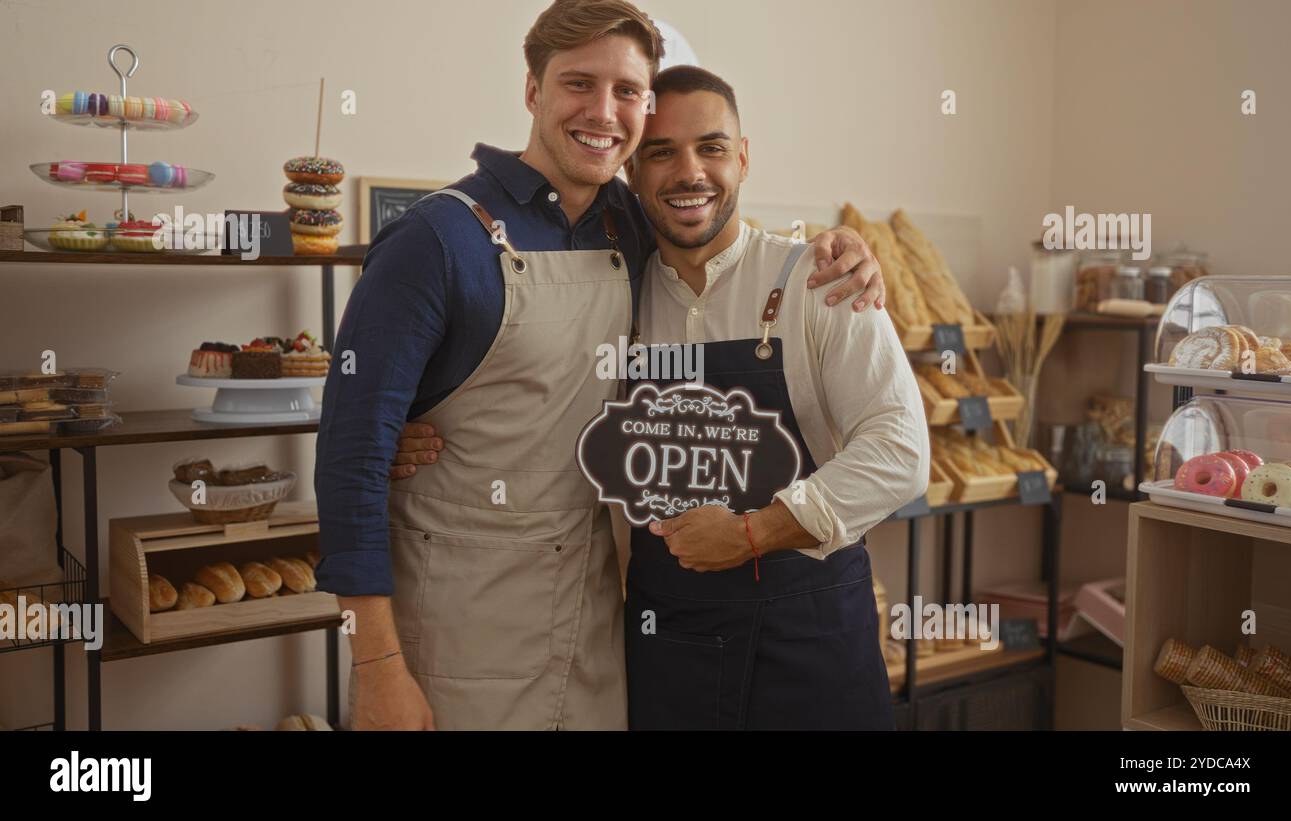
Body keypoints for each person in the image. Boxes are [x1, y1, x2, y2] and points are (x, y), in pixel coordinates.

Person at [315, 0, 885, 731]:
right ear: (533, 92)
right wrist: (377, 669)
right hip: (455, 633)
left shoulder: (630, 226)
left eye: (626, 92)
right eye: (579, 84)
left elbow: (711, 213)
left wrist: (840, 249)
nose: (604, 112)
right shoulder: (434, 242)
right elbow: (349, 461)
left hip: (593, 630)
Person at [619, 65, 928, 729]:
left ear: (744, 157)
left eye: (712, 147)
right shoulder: (617, 297)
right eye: (660, 152)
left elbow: (901, 451)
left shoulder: (819, 279)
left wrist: (749, 533)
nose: (689, 171)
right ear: (633, 172)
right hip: (668, 643)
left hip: (809, 641)